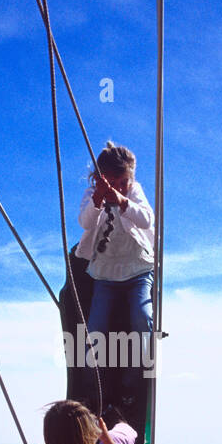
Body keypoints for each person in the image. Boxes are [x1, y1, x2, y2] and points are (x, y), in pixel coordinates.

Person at [75, 142, 155, 345]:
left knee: (142, 317)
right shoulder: (92, 195)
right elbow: (86, 222)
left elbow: (146, 219)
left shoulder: (133, 191)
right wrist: (97, 201)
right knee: (96, 330)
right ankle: (91, 373)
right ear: (99, 179)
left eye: (124, 182)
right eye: (113, 183)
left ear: (131, 179)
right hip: (105, 274)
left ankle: (141, 370)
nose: (119, 188)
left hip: (138, 270)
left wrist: (122, 200)